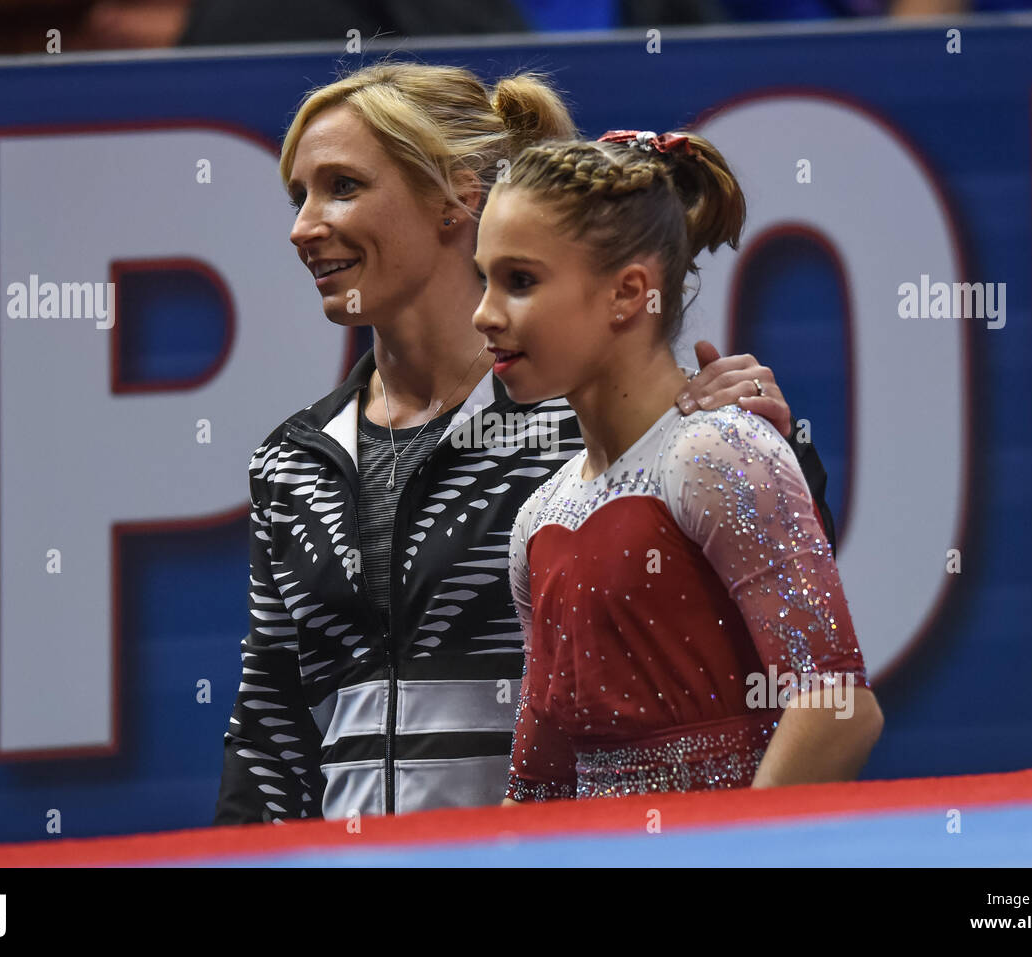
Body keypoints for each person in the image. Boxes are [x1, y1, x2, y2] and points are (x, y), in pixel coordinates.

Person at [213, 62, 839, 824]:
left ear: (457, 197)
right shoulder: (292, 461)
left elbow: (799, 658)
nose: (304, 226)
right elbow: (271, 725)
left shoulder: (608, 422)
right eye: (299, 195)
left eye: (342, 186)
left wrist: (782, 459)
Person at [471, 129, 882, 803]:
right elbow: (541, 780)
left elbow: (840, 710)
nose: (484, 313)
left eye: (519, 281)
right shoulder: (539, 516)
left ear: (629, 293)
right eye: (483, 279)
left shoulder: (717, 452)